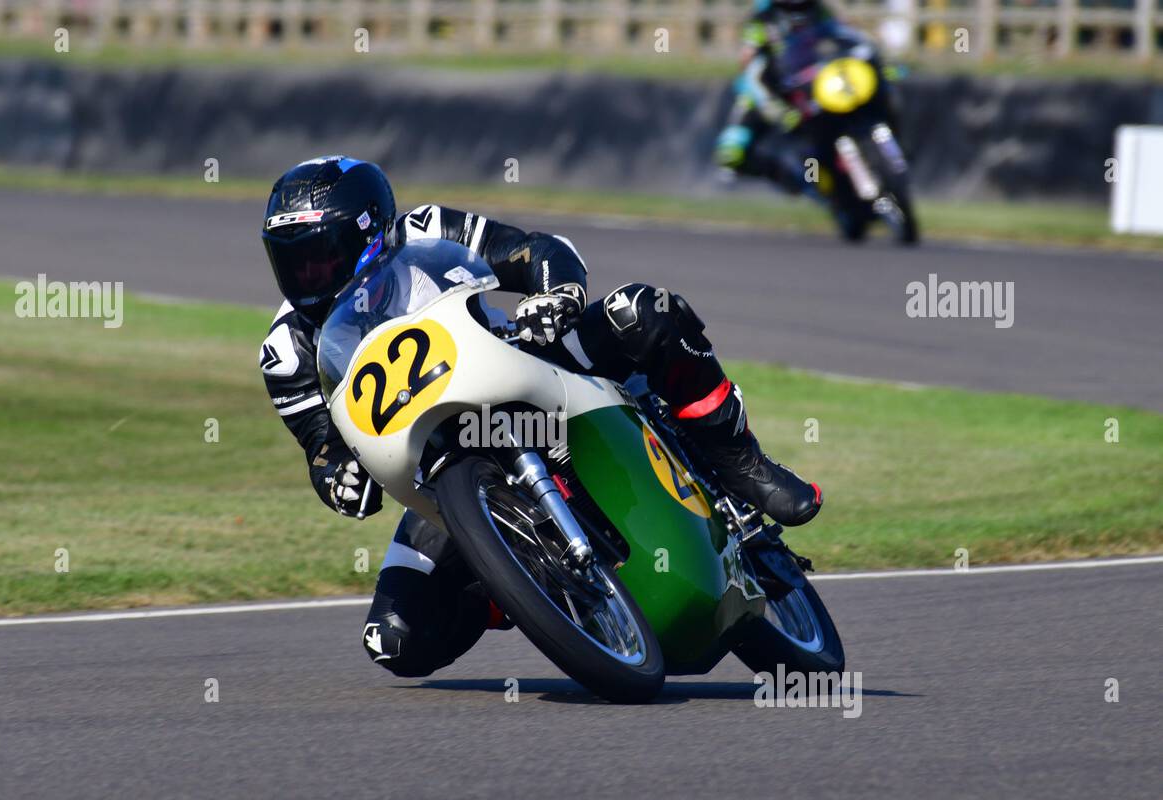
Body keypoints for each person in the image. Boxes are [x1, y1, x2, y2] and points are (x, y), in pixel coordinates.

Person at [259, 155, 822, 677]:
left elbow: (534, 252)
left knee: (644, 312)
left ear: (367, 230)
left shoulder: (426, 228)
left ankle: (741, 461)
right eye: (291, 261)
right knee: (396, 640)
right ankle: (515, 579)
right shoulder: (285, 351)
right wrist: (335, 474)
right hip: (441, 467)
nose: (307, 274)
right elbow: (322, 445)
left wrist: (555, 298)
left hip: (522, 364)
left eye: (320, 254)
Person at [716, 0, 880, 193]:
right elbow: (750, 67)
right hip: (767, 97)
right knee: (731, 155)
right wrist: (777, 108)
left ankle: (823, 181)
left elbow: (846, 36)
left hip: (811, 91)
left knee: (817, 140)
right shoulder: (762, 20)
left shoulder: (819, 10)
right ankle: (790, 178)